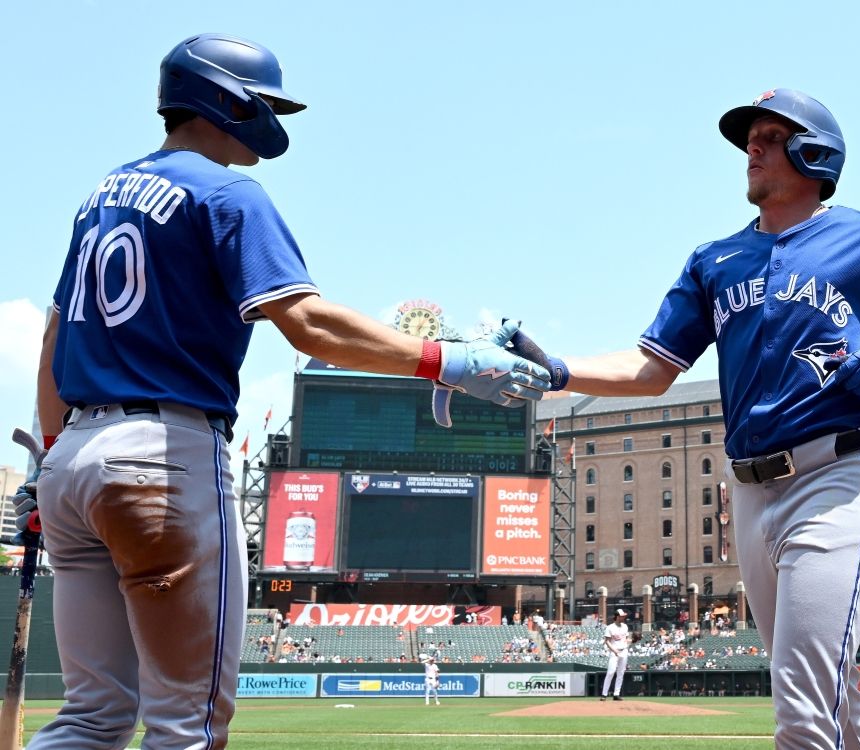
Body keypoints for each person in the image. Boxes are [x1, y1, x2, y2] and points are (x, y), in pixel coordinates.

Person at [17, 33, 549, 749]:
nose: (272, 118)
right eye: (263, 102)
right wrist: (442, 359)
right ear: (223, 99)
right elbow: (306, 324)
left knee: (87, 719)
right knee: (185, 725)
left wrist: (51, 458)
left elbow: (55, 342)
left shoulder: (99, 198)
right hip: (160, 459)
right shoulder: (227, 189)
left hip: (72, 462)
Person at [524, 89, 860, 747]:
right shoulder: (716, 260)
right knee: (836, 702)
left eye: (767, 136)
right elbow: (653, 371)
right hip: (751, 493)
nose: (750, 149)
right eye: (749, 139)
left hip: (836, 478)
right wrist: (555, 372)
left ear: (813, 151)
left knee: (801, 710)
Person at [600, 608, 630, 701]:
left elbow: (626, 638)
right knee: (611, 672)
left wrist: (629, 642)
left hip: (624, 651)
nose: (624, 617)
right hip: (614, 652)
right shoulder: (610, 627)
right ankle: (604, 694)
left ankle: (616, 694)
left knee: (621, 673)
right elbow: (607, 641)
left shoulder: (625, 626)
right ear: (617, 617)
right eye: (622, 616)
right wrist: (614, 651)